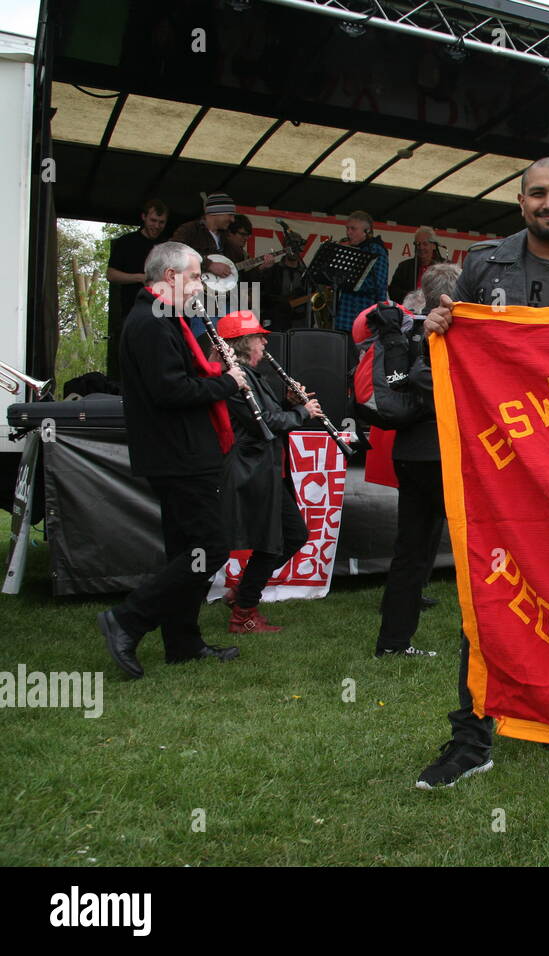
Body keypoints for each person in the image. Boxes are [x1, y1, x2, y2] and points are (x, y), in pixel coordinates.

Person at [414, 156, 549, 789]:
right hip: (503, 464)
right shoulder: (484, 265)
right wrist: (439, 334)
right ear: (521, 202)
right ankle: (471, 736)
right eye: (537, 194)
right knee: (488, 594)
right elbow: (462, 353)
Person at [96, 241, 246, 678]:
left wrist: (214, 366)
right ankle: (127, 619)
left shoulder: (162, 318)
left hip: (179, 451)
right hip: (179, 454)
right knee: (209, 548)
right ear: (170, 278)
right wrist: (228, 384)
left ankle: (183, 643)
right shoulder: (150, 322)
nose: (201, 284)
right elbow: (171, 391)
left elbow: (179, 377)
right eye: (196, 276)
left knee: (185, 548)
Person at [214, 310, 324, 632]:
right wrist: (303, 412)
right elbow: (265, 424)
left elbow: (271, 416)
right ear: (244, 342)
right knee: (272, 541)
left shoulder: (253, 376)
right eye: (259, 337)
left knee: (291, 536)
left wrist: (291, 404)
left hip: (266, 468)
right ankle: (244, 614)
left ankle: (242, 594)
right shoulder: (235, 380)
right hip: (252, 470)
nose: (265, 341)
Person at [373, 263, 462, 657]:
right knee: (472, 550)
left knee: (409, 551)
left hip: (409, 453)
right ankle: (484, 642)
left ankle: (392, 642)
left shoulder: (404, 330)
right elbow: (431, 379)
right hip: (443, 454)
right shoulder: (449, 330)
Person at [106, 198, 169, 381]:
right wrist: (140, 278)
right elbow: (111, 275)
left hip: (163, 313)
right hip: (133, 312)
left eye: (161, 222)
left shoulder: (167, 247)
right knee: (132, 363)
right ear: (143, 217)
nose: (156, 226)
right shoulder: (126, 242)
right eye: (153, 221)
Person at [331, 210, 389, 332]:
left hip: (364, 319)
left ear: (366, 232)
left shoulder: (376, 250)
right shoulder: (353, 248)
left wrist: (345, 280)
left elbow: (377, 284)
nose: (348, 232)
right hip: (345, 317)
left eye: (353, 229)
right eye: (347, 228)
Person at [387, 225, 444, 304]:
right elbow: (393, 291)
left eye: (425, 244)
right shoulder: (404, 267)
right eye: (417, 244)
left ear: (434, 246)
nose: (421, 247)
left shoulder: (444, 267)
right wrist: (411, 297)